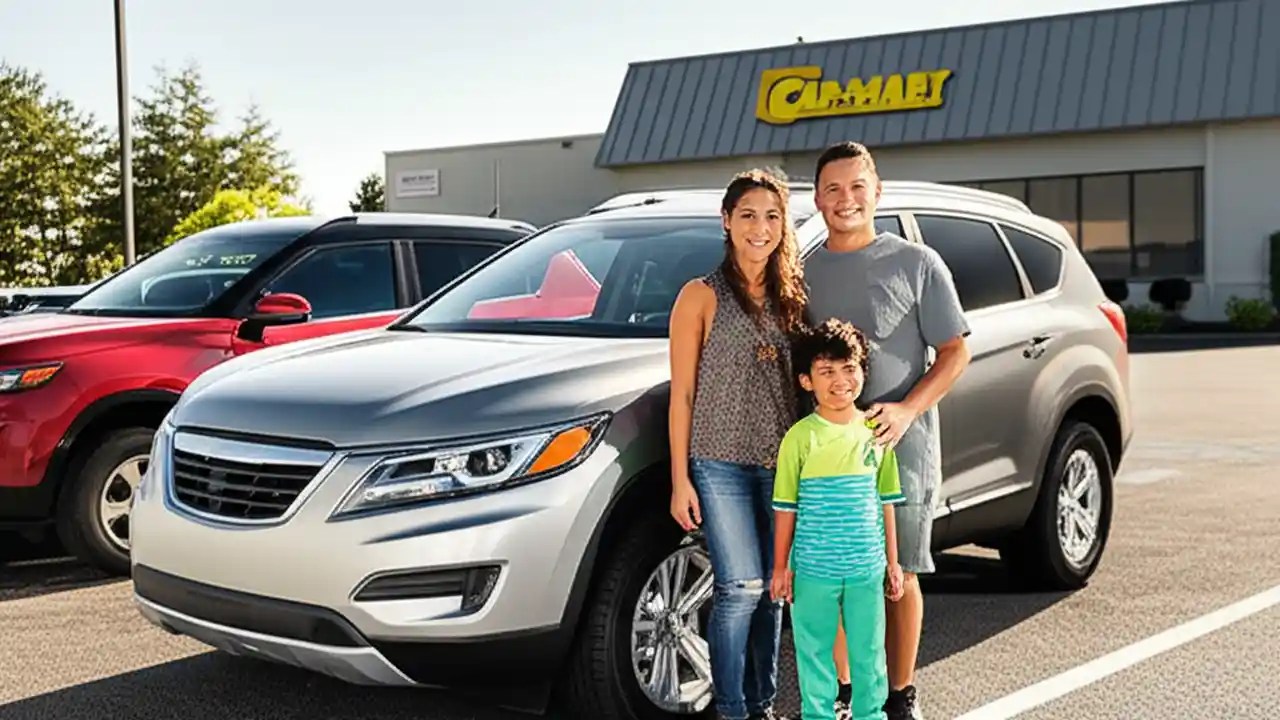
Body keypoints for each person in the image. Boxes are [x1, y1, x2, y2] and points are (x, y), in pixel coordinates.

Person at [802, 142, 972, 720]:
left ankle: (901, 697)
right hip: (828, 451)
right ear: (818, 198)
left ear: (877, 191)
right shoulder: (803, 273)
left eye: (857, 187)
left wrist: (906, 411)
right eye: (833, 189)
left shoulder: (917, 263)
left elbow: (954, 352)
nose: (845, 200)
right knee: (837, 573)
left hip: (900, 443)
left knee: (900, 575)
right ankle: (847, 696)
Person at [669, 168, 809, 720]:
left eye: (772, 216)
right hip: (719, 462)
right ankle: (730, 710)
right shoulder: (699, 296)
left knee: (774, 590)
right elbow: (682, 395)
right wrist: (680, 479)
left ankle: (763, 706)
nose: (761, 227)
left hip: (781, 465)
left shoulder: (792, 295)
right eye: (748, 215)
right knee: (741, 588)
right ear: (727, 221)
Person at [771, 318, 906, 720]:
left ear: (863, 372)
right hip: (813, 572)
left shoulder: (875, 432)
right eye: (826, 371)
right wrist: (781, 567)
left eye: (849, 368)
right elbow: (786, 509)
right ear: (807, 381)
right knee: (814, 659)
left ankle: (870, 716)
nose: (840, 380)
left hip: (866, 570)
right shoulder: (799, 438)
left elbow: (887, 502)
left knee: (869, 656)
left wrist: (893, 562)